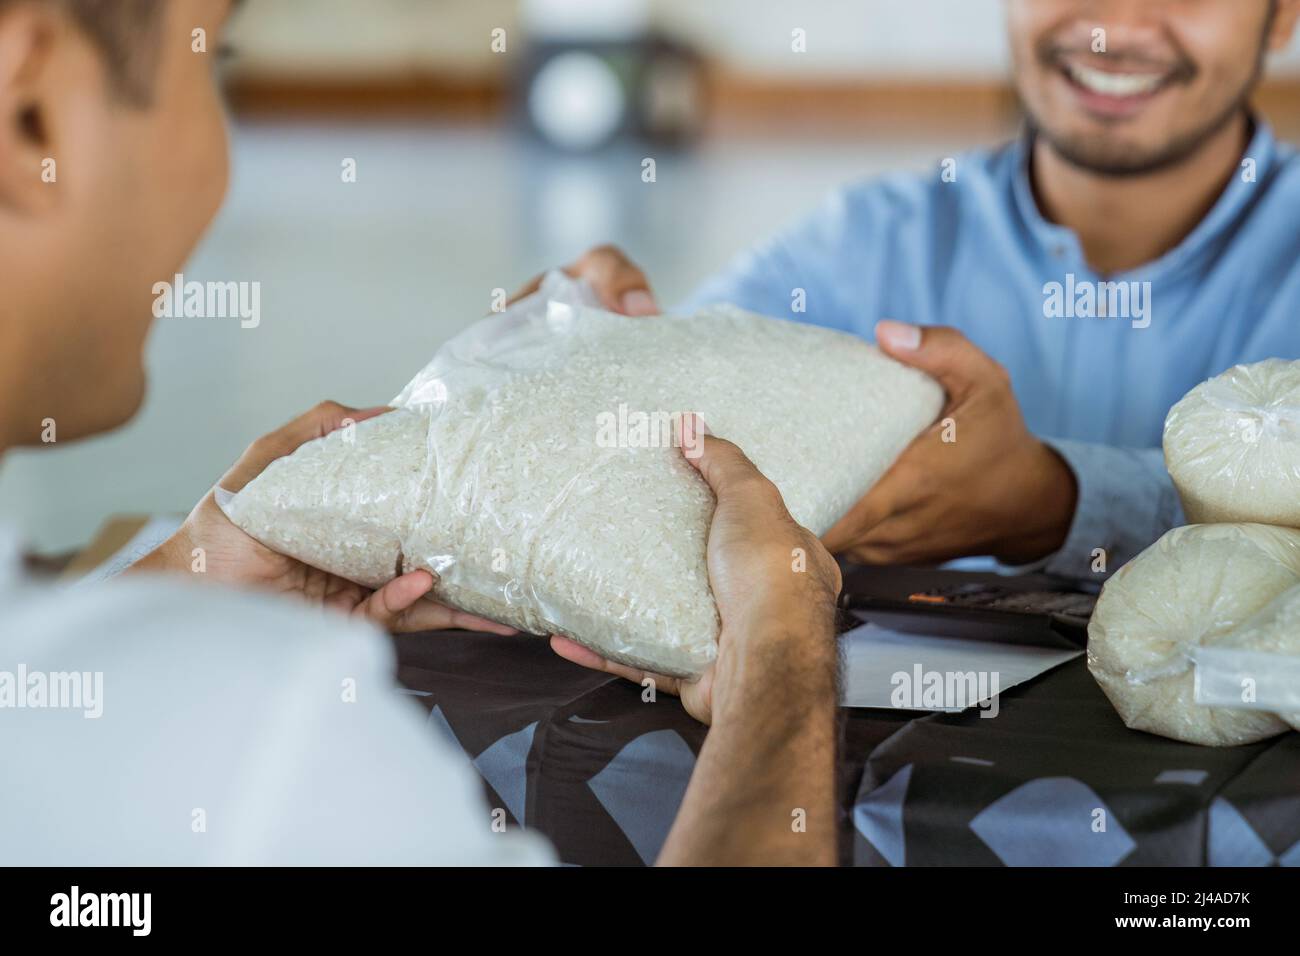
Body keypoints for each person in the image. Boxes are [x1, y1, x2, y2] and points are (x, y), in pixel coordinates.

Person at [0, 0, 838, 865]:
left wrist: (181, 577)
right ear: (32, 113)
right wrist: (778, 651)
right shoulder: (272, 741)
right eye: (212, 60)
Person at [525, 0, 1300, 587]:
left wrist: (1054, 503)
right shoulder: (863, 240)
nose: (1117, 26)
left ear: (1282, 17)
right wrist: (586, 356)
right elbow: (666, 426)